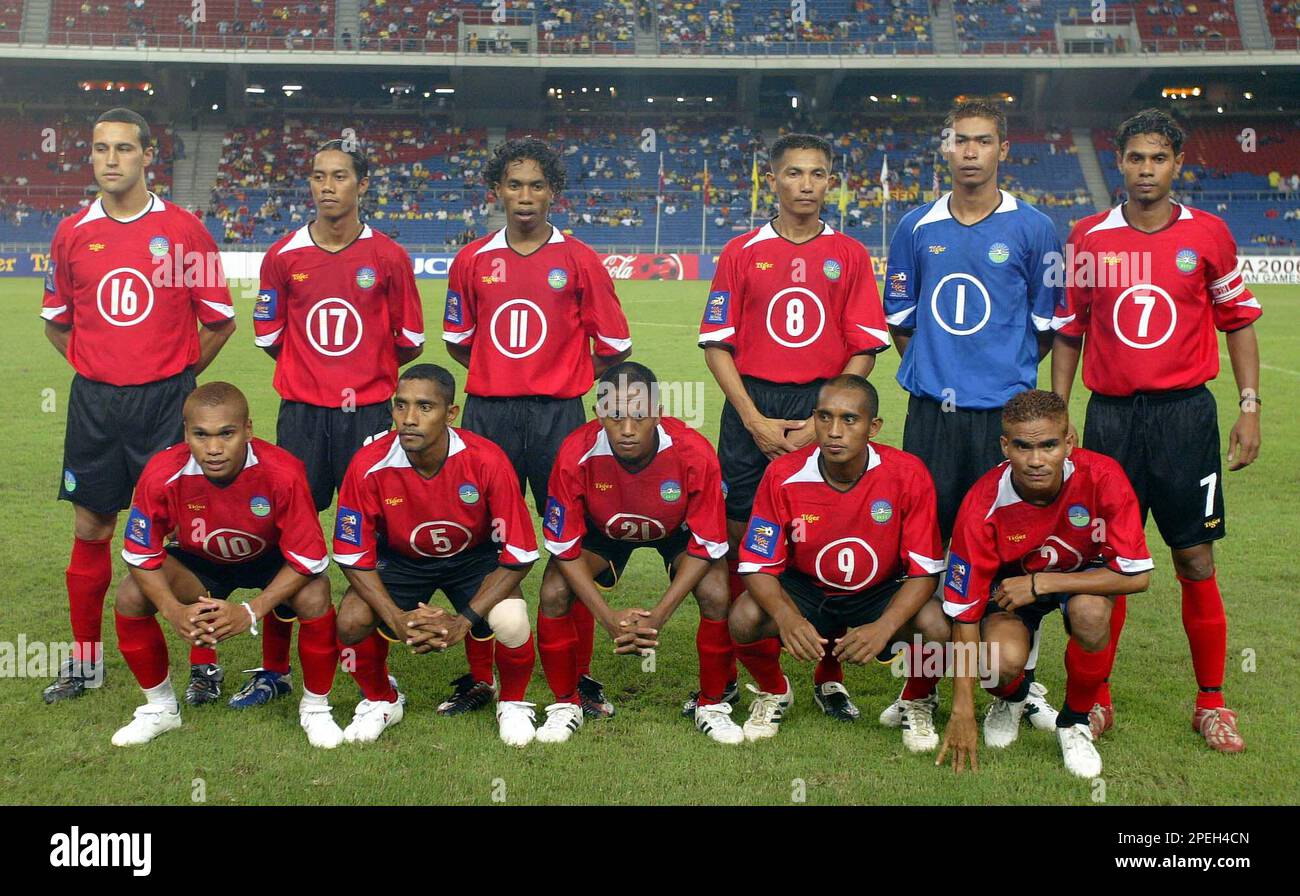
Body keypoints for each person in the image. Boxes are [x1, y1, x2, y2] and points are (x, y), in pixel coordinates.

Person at [1051, 109, 1262, 753]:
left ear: (1177, 165)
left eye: (1158, 159)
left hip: (1186, 418)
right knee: (1105, 558)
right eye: (1135, 158)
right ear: (1120, 162)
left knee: (1194, 557)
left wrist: (1249, 405)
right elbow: (1070, 331)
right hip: (1109, 419)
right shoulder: (1087, 238)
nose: (1146, 169)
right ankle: (1094, 701)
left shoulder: (1210, 234)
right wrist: (1060, 416)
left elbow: (1239, 322)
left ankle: (1212, 703)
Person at [879, 100, 1064, 734]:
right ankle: (921, 686)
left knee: (1008, 554)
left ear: (1001, 150)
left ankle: (1015, 687)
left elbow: (1045, 329)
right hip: (932, 418)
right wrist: (942, 373)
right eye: (960, 140)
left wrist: (993, 378)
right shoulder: (914, 225)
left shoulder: (1035, 228)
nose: (969, 152)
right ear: (946, 147)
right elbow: (902, 323)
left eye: (982, 141)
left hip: (1002, 423)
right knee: (927, 550)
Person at [41, 107, 236, 704]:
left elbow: (220, 319)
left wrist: (173, 378)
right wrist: (102, 368)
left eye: (124, 149)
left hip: (165, 404)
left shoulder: (184, 231)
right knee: (93, 524)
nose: (110, 160)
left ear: (149, 156)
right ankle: (85, 661)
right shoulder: (72, 232)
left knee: (181, 533)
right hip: (95, 406)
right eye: (100, 149)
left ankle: (203, 659)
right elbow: (56, 321)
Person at [697, 133, 889, 722]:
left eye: (818, 174)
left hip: (822, 404)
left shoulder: (850, 254)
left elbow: (865, 347)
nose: (806, 185)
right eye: (794, 174)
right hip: (750, 402)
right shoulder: (739, 251)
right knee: (740, 536)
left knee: (823, 532)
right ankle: (742, 672)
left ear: (830, 182)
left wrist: (819, 421)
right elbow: (716, 344)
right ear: (772, 180)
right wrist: (752, 418)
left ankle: (829, 676)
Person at [443, 136, 631, 720]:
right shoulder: (472, 259)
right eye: (514, 185)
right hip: (488, 415)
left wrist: (563, 373)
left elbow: (616, 344)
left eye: (537, 185)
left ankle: (577, 678)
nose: (525, 196)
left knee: (566, 542)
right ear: (496, 191)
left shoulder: (579, 259)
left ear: (554, 193)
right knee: (480, 539)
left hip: (558, 418)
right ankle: (480, 679)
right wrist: (507, 376)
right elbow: (459, 342)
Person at [240, 137, 423, 712]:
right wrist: (314, 377)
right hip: (301, 414)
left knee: (378, 533)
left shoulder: (389, 256)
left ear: (362, 185)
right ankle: (273, 669)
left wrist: (358, 378)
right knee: (283, 533)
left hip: (368, 415)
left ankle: (372, 663)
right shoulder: (283, 256)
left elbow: (408, 340)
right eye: (318, 176)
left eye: (339, 176)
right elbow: (269, 336)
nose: (326, 186)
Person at [112, 383, 341, 747]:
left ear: (248, 430)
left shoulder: (283, 471)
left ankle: (315, 709)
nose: (214, 448)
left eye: (227, 434)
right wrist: (172, 610)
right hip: (200, 564)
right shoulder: (161, 472)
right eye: (201, 435)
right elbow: (141, 555)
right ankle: (160, 709)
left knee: (315, 593)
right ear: (186, 432)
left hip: (270, 561)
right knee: (130, 595)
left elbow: (308, 558)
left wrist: (250, 612)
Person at [938, 390, 1153, 777]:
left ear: (1069, 441)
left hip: (1076, 579)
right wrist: (962, 709)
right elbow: (964, 615)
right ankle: (1015, 697)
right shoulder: (982, 502)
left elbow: (1137, 575)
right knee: (998, 662)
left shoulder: (1102, 477)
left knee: (1089, 613)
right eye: (1023, 446)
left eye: (1049, 445)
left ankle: (1073, 723)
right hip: (1008, 590)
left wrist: (1042, 582)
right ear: (1005, 445)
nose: (1036, 460)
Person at [730, 375, 950, 745]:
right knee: (743, 616)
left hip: (879, 590)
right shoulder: (783, 474)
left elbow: (925, 572)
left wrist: (884, 627)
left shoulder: (907, 474)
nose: (834, 431)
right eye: (825, 417)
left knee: (937, 625)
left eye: (850, 419)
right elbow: (756, 563)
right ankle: (774, 690)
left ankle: (917, 698)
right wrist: (787, 617)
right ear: (813, 419)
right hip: (806, 589)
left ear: (873, 427)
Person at [331, 365, 540, 747]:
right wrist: (395, 618)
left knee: (510, 619)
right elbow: (351, 553)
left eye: (425, 407)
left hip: (473, 558)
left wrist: (464, 621)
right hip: (400, 560)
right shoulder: (368, 463)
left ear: (451, 413)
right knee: (350, 621)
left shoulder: (486, 460)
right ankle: (382, 700)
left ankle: (512, 702)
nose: (409, 419)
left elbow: (519, 554)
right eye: (401, 406)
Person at [535, 362, 739, 744]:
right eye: (614, 417)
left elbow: (708, 543)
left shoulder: (692, 451)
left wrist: (658, 617)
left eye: (639, 416)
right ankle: (567, 703)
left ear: (658, 414)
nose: (627, 430)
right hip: (604, 528)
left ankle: (712, 703)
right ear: (598, 413)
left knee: (715, 591)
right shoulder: (575, 451)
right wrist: (608, 617)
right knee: (553, 591)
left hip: (675, 529)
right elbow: (564, 547)